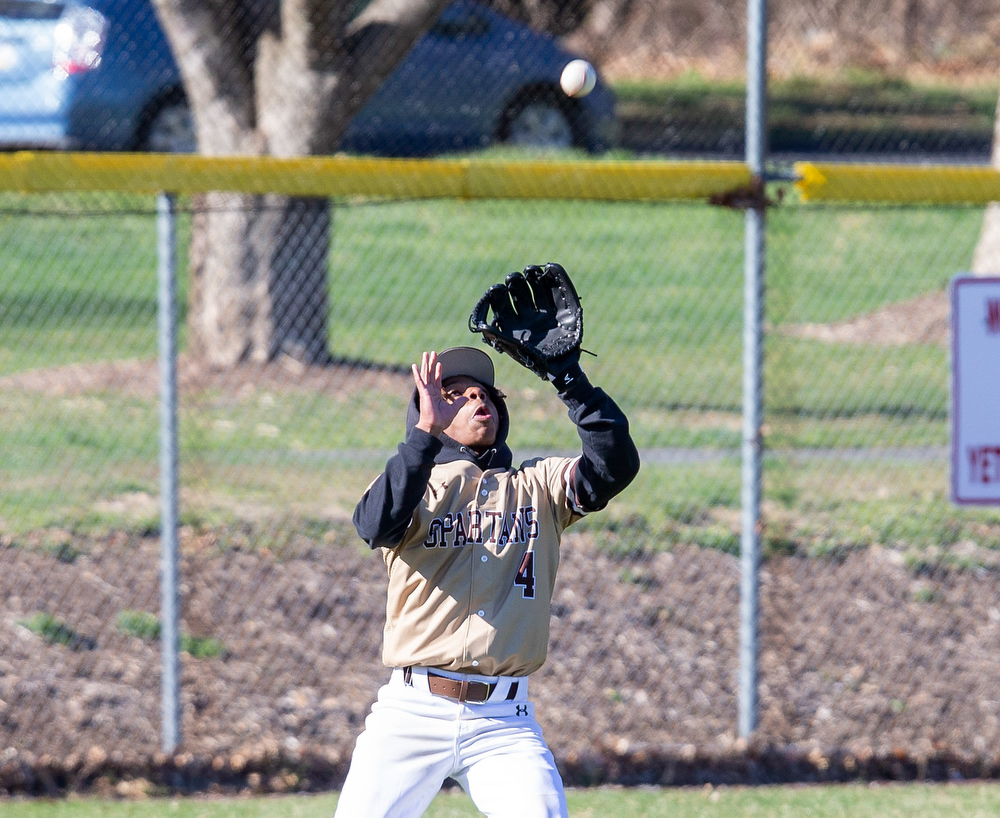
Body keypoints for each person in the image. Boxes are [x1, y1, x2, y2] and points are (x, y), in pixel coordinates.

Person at [335, 344, 640, 818]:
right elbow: (373, 523)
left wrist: (570, 379)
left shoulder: (537, 487)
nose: (475, 396)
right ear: (429, 410)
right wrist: (422, 437)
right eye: (453, 393)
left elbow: (614, 467)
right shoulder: (418, 485)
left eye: (484, 393)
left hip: (503, 722)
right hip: (412, 713)